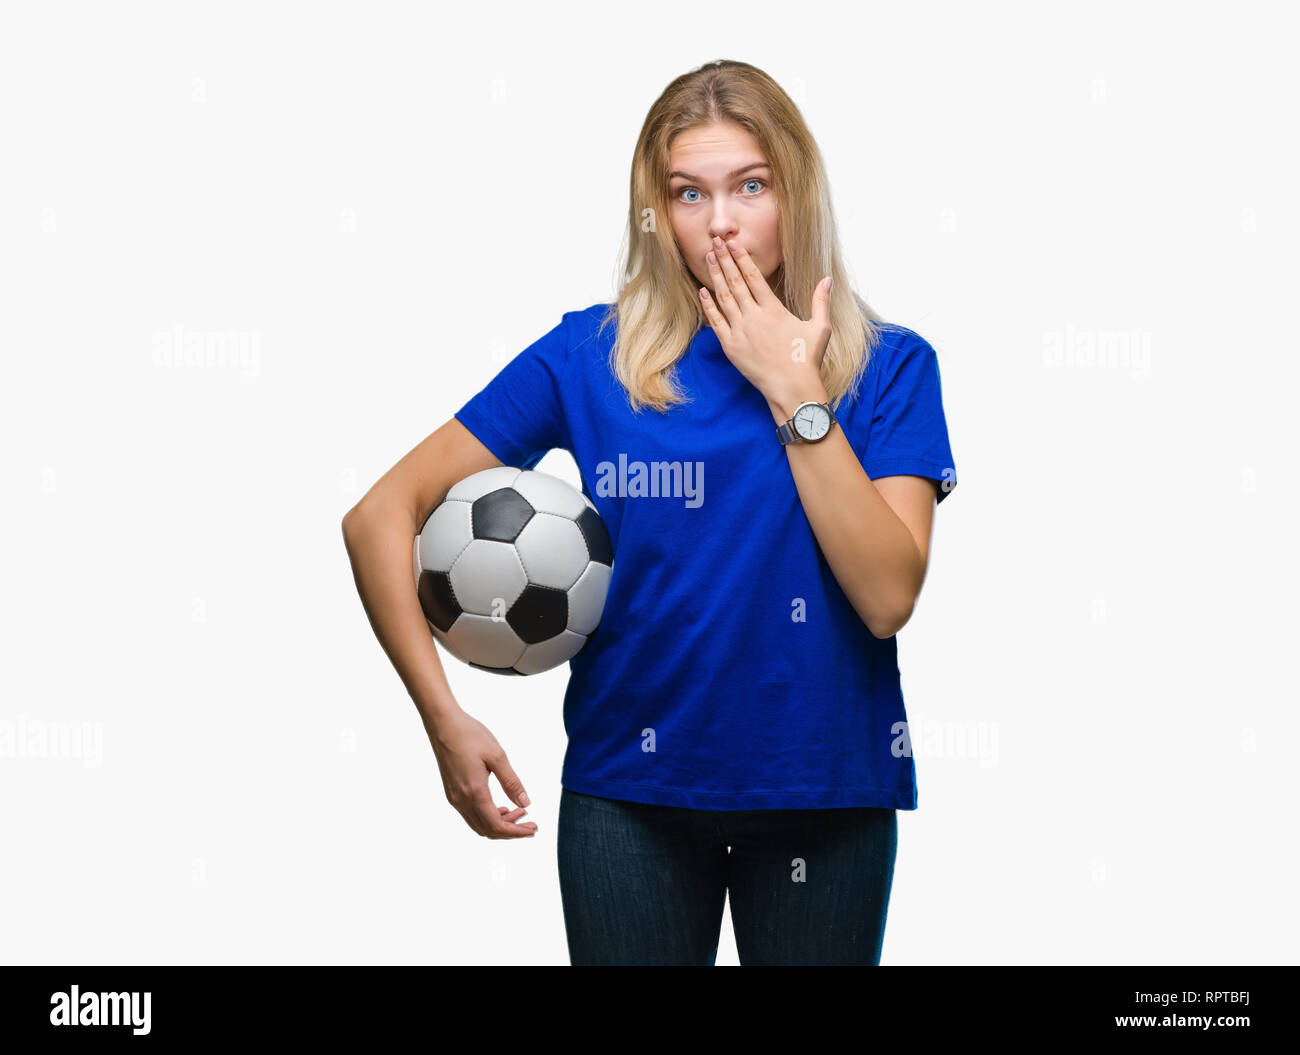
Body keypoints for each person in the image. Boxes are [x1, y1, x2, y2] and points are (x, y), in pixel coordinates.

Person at [342, 59, 958, 965]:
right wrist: (445, 720)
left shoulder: (893, 366)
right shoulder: (590, 354)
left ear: (797, 192)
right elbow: (378, 515)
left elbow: (886, 596)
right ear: (656, 211)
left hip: (823, 793)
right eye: (688, 193)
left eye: (752, 185)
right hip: (628, 799)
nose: (721, 222)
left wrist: (795, 392)